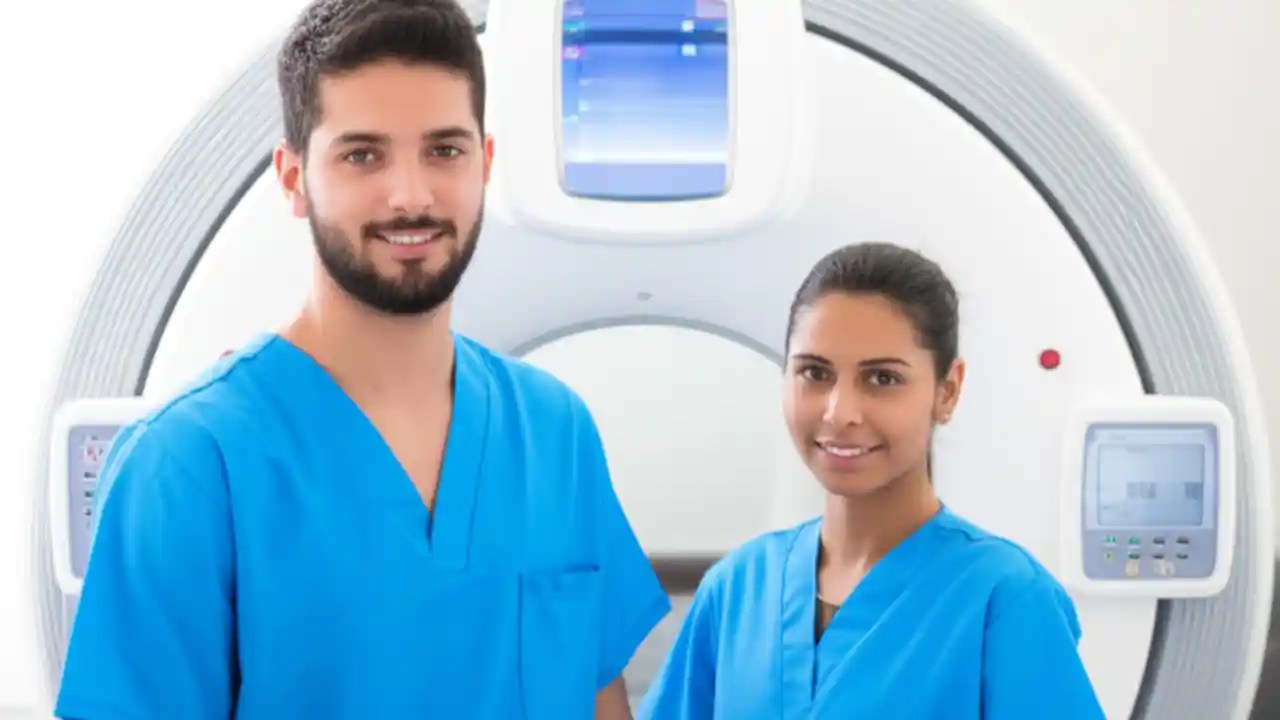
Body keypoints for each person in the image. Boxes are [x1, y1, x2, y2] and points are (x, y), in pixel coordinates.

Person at [54, 1, 670, 717]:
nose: (410, 195)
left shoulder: (553, 431)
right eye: (362, 154)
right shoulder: (188, 464)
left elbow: (599, 700)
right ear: (292, 179)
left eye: (444, 150)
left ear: (485, 163)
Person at [636, 242, 1105, 719]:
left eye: (882, 379)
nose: (839, 413)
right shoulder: (738, 587)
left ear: (948, 390)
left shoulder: (1003, 597)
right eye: (815, 373)